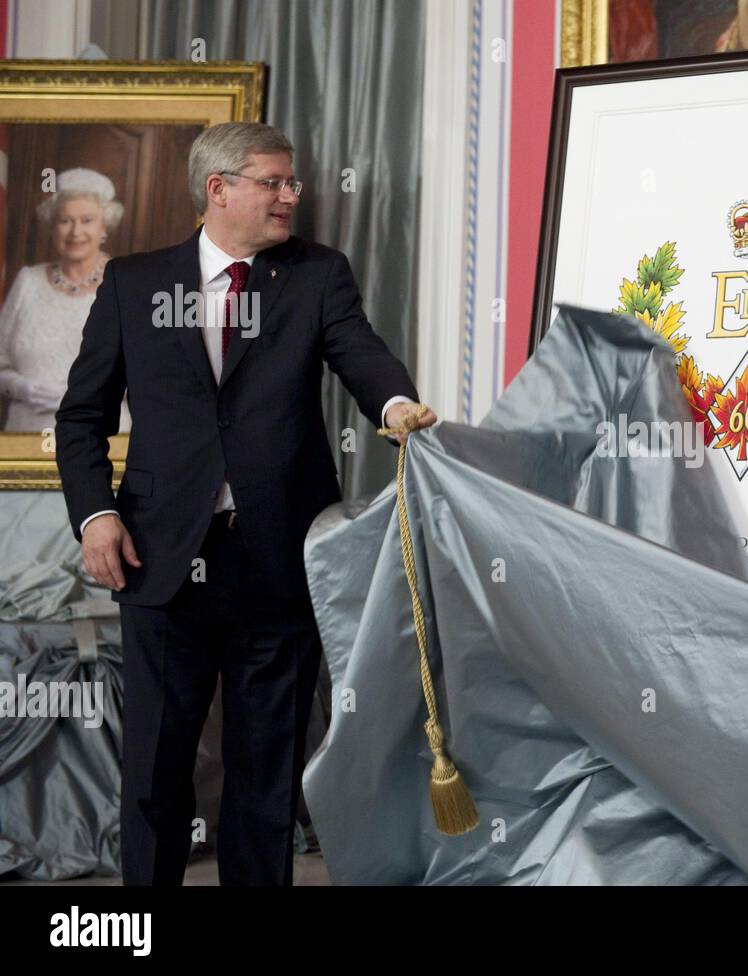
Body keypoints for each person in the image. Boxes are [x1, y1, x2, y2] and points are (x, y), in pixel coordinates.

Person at [54, 121, 434, 885]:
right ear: (218, 188)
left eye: (292, 182)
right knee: (155, 777)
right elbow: (81, 418)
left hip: (277, 561)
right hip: (159, 559)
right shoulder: (134, 284)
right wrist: (96, 516)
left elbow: (361, 354)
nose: (291, 195)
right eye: (274, 181)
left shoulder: (317, 275)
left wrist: (395, 406)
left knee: (264, 783)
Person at [0, 168, 130, 431]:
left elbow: (150, 371)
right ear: (52, 227)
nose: (75, 232)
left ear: (104, 226)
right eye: (65, 221)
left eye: (87, 220)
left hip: (99, 437)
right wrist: (19, 387)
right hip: (24, 435)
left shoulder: (126, 282)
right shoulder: (27, 281)